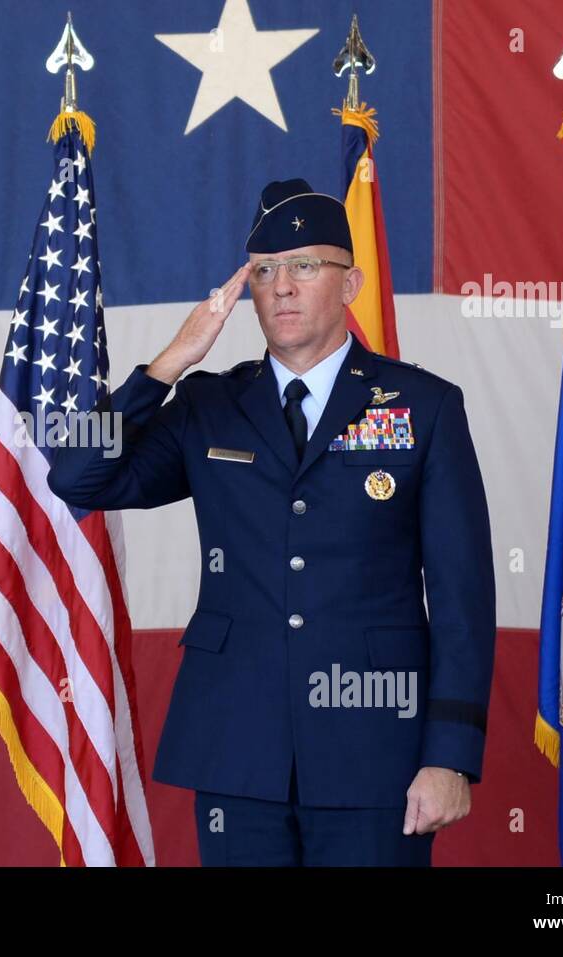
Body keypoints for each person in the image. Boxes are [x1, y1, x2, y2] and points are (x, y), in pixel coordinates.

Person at [47, 179, 496, 866]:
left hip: (376, 751)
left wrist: (451, 756)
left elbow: (465, 598)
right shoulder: (209, 405)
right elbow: (78, 476)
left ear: (352, 284)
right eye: (263, 271)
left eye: (304, 266)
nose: (281, 286)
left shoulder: (422, 407)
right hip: (237, 753)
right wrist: (168, 363)